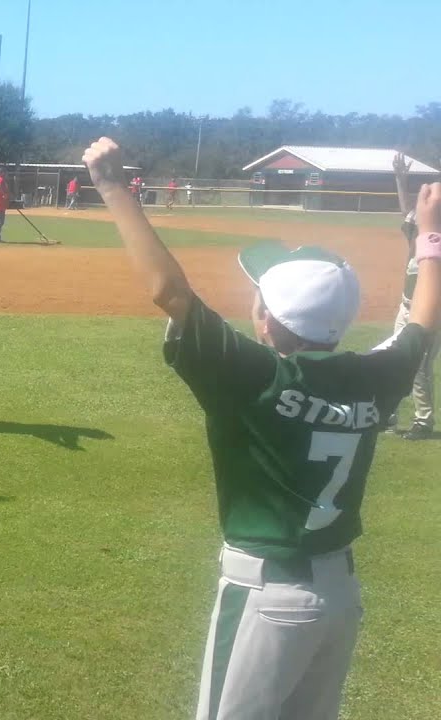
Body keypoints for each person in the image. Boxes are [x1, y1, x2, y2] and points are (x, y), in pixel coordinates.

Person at [84, 135, 441, 720]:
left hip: (266, 595)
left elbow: (169, 292)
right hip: (339, 596)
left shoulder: (256, 377)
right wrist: (432, 236)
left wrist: (111, 185)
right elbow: (422, 323)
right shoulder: (375, 377)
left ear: (268, 321)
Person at [385, 151, 439, 439]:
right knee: (394, 357)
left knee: (419, 367)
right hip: (405, 307)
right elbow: (406, 211)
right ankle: (389, 414)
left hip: (430, 313)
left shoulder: (436, 247)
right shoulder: (416, 235)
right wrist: (400, 180)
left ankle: (423, 421)